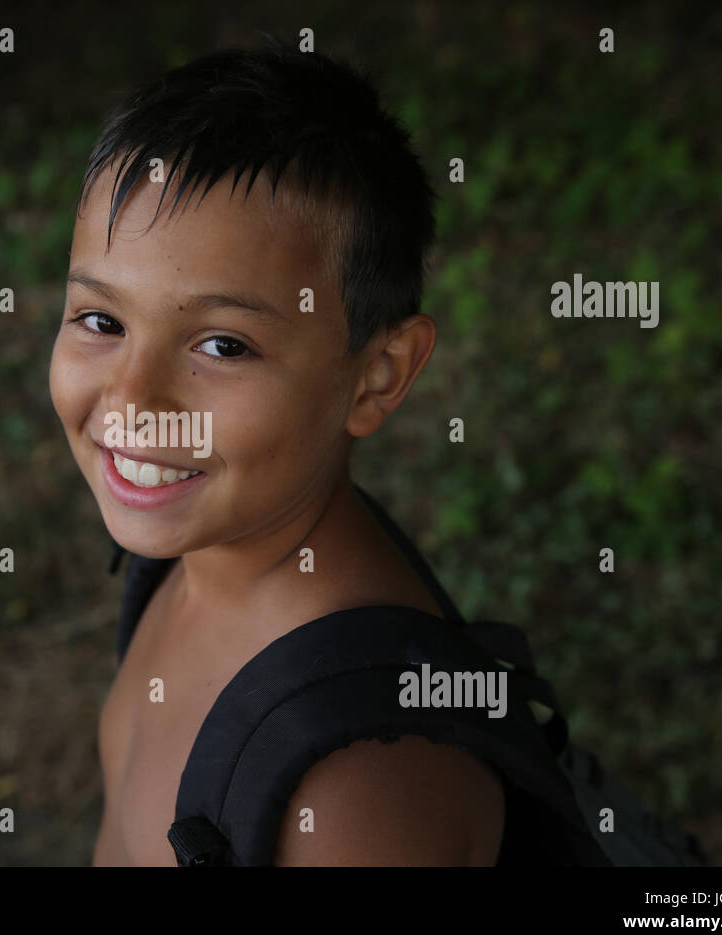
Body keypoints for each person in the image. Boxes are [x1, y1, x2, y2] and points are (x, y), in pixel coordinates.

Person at [49, 43, 507, 865]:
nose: (133, 403)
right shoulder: (202, 550)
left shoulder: (355, 796)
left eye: (223, 344)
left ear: (378, 376)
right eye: (102, 321)